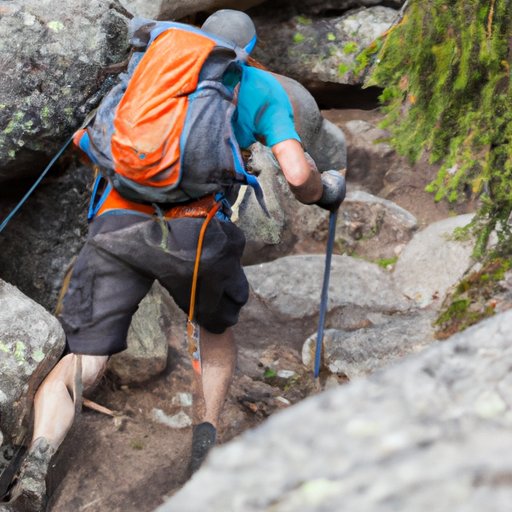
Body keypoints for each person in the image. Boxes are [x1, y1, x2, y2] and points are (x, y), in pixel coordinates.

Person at [4, 9, 345, 511]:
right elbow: (296, 173)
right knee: (215, 335)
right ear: (248, 51)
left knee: (86, 357)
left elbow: (89, 141)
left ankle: (36, 462)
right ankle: (202, 454)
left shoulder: (152, 67)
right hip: (196, 232)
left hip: (119, 223)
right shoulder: (258, 86)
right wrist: (324, 192)